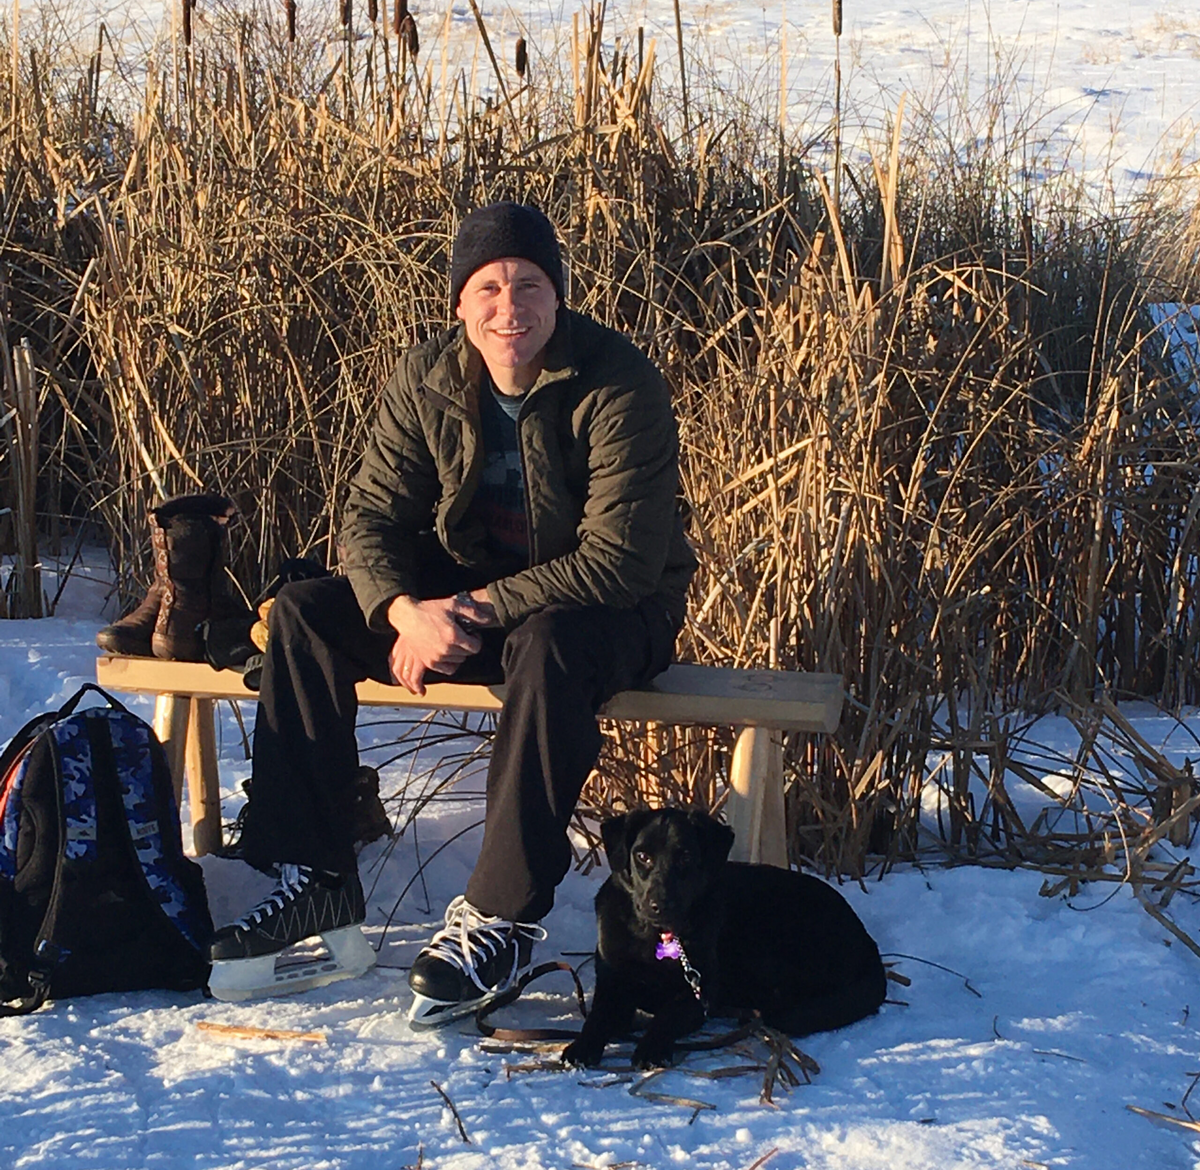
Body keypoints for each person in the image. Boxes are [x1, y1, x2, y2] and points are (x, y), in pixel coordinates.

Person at [208, 202, 697, 1023]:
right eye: (491, 287)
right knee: (304, 614)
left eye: (531, 285)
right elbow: (368, 516)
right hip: (471, 600)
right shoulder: (428, 376)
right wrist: (402, 610)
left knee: (547, 646)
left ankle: (500, 917)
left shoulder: (618, 381)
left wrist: (464, 607)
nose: (512, 308)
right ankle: (318, 877)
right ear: (460, 304)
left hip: (612, 612)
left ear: (559, 294)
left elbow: (619, 560)